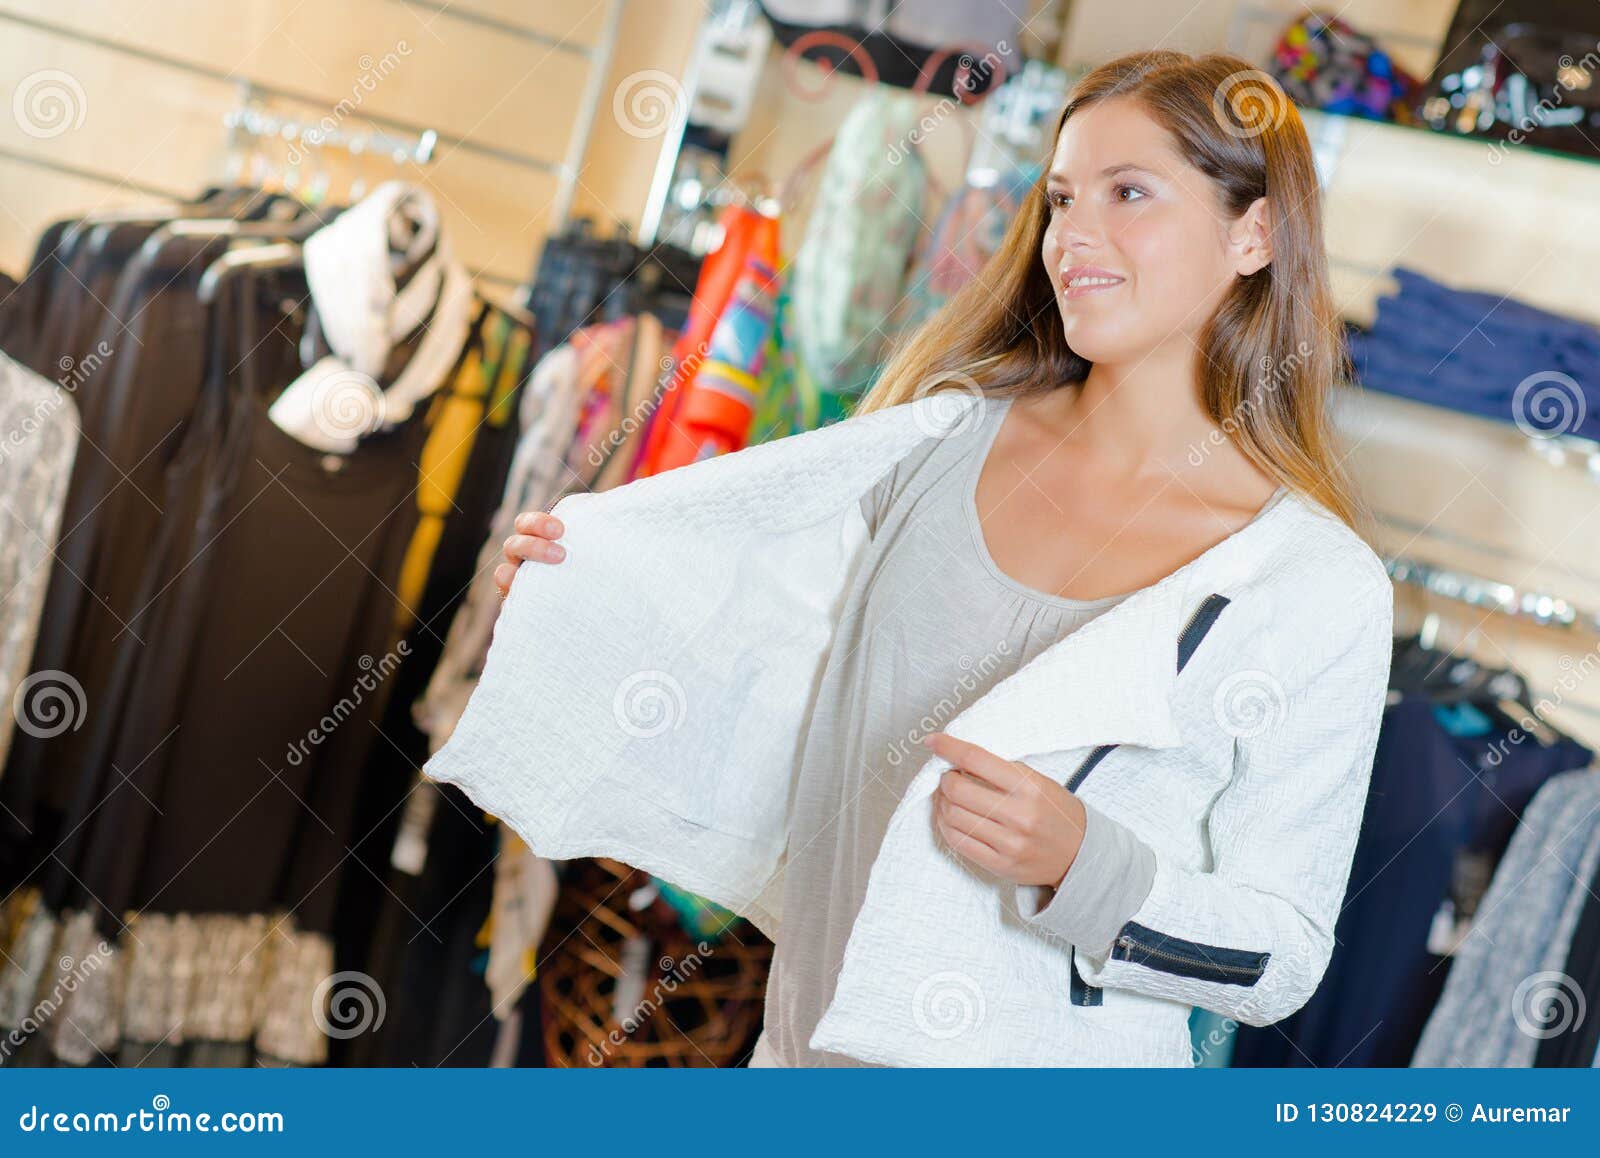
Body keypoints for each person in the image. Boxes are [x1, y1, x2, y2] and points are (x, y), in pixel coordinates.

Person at [493, 50, 1385, 1066]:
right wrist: (594, 611)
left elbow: (1283, 956)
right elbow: (769, 711)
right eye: (1058, 199)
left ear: (1254, 231)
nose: (1073, 238)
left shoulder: (1313, 589)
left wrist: (1086, 867)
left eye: (1129, 193)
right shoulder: (931, 446)